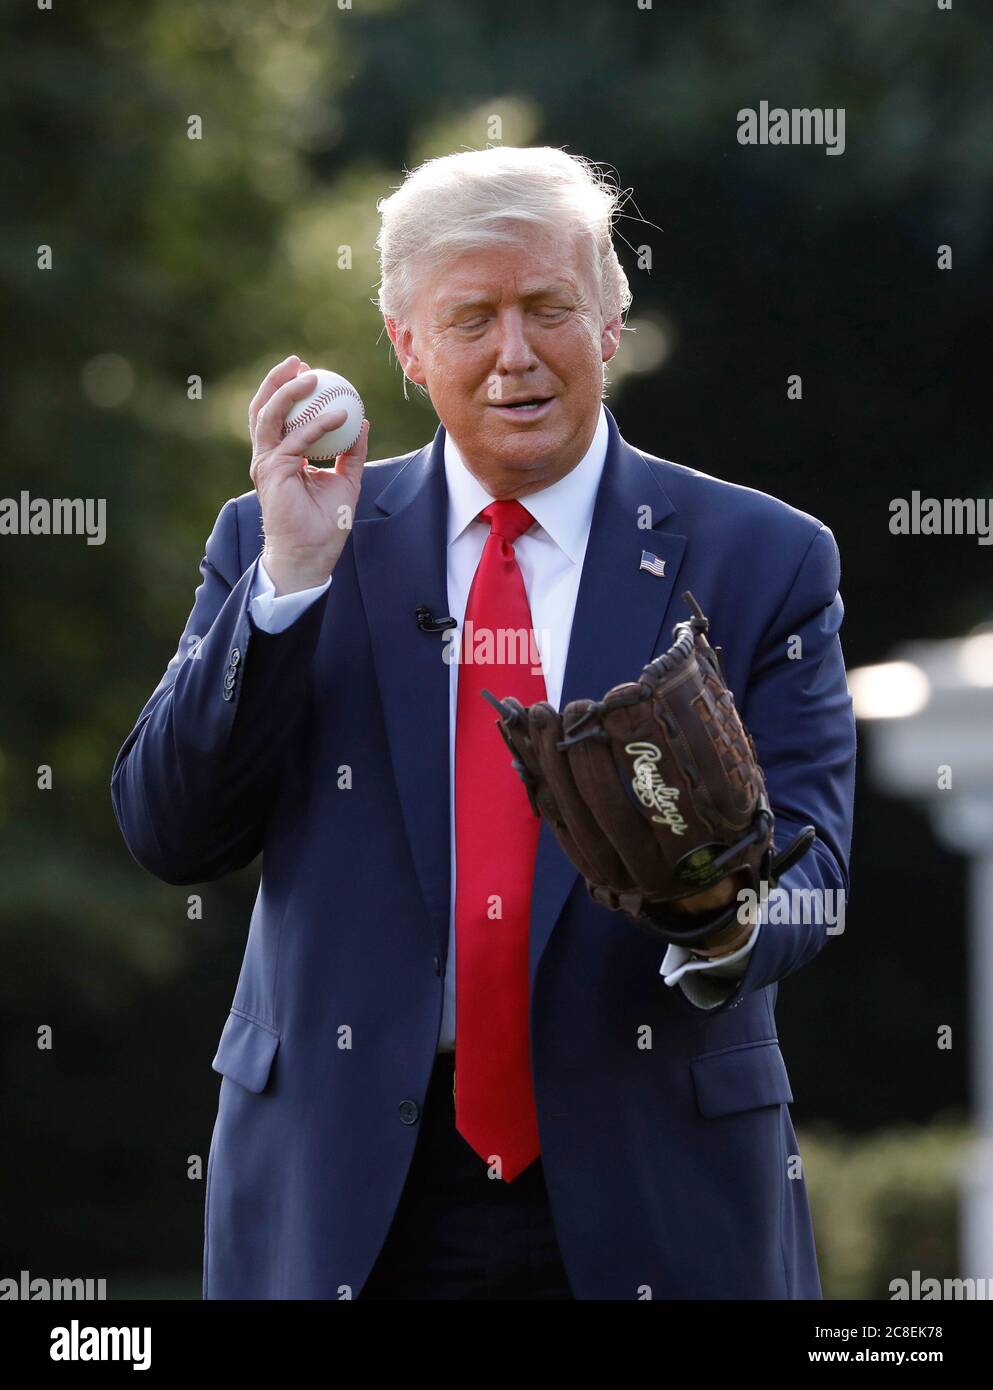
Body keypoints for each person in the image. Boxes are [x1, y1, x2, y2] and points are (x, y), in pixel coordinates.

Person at [110, 145, 856, 1300]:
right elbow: (170, 831)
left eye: (549, 307)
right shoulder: (292, 538)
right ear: (407, 346)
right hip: (349, 1193)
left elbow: (821, 870)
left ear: (609, 319)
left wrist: (716, 912)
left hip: (654, 1184)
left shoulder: (765, 557)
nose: (517, 355)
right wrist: (292, 581)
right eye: (472, 319)